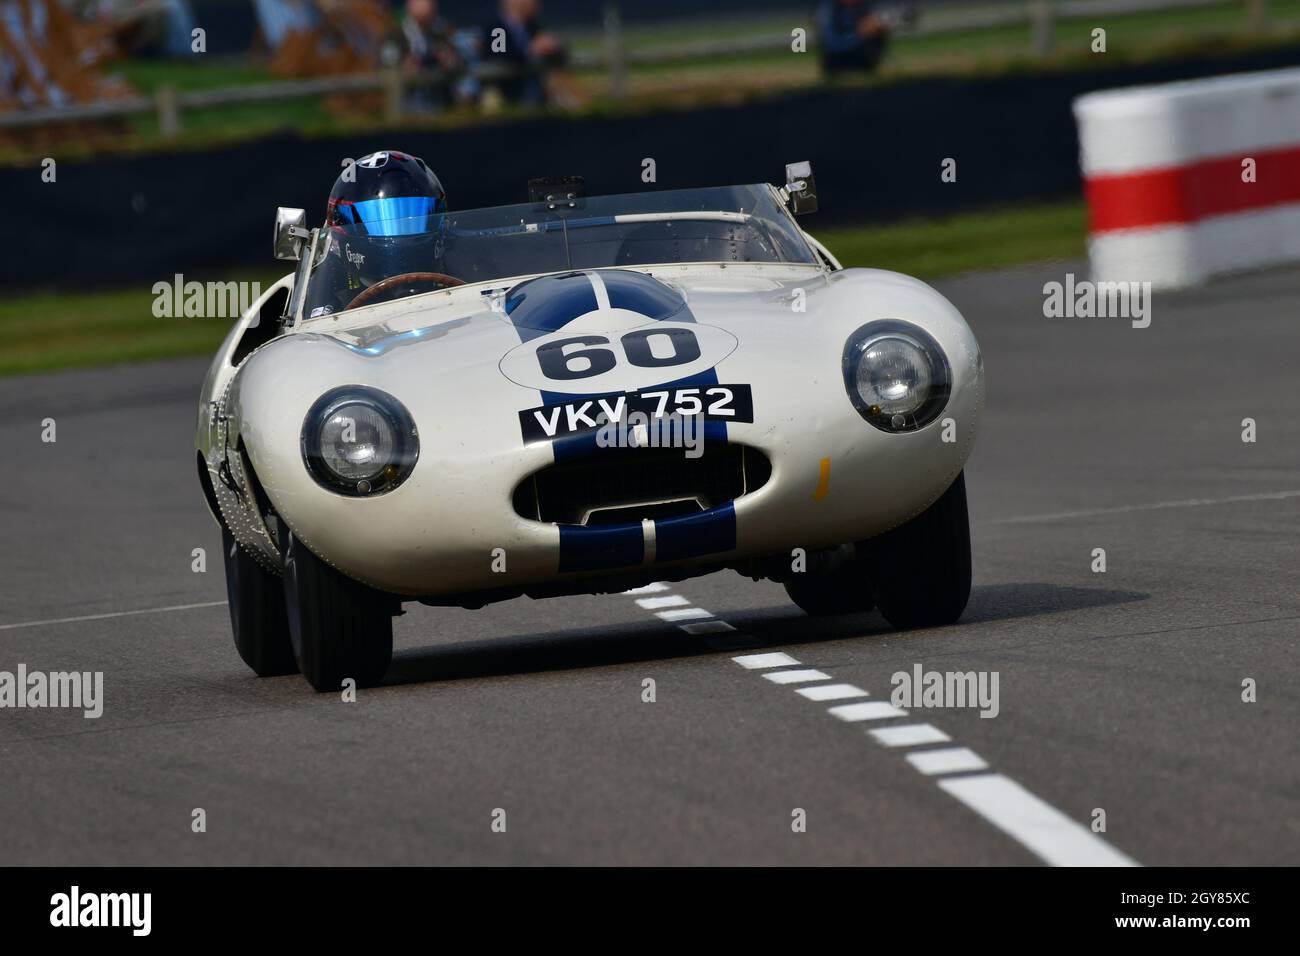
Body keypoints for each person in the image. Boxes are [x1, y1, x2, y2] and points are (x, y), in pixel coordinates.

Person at [311, 149, 451, 315]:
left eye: (413, 216)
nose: (400, 235)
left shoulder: (464, 264)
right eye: (381, 218)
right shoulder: (329, 298)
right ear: (342, 224)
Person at [481, 0, 566, 107]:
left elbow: (550, 44)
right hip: (506, 85)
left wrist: (554, 46)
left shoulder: (532, 26)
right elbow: (499, 55)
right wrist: (530, 50)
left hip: (533, 83)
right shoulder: (497, 28)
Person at [399, 0, 467, 110]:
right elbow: (383, 71)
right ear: (409, 5)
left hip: (441, 105)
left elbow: (462, 63)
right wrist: (405, 68)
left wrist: (450, 61)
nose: (427, 5)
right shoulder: (396, 37)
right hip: (408, 109)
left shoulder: (440, 34)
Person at [817, 0, 897, 76]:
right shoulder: (830, 9)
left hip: (860, 54)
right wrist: (859, 35)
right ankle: (843, 70)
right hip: (836, 60)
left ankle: (866, 67)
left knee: (878, 31)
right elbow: (833, 43)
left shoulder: (861, 7)